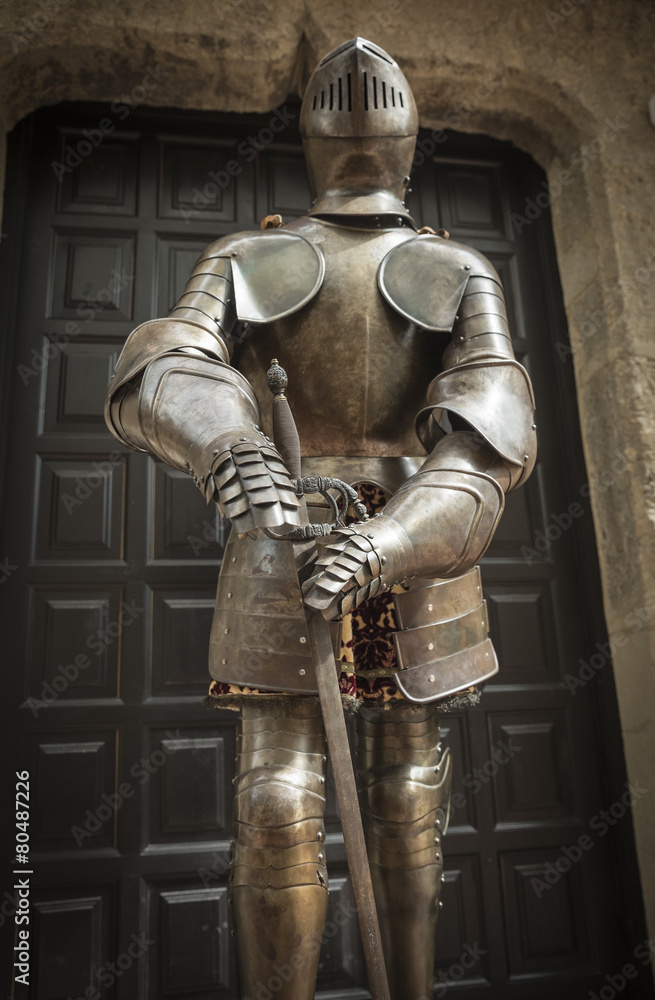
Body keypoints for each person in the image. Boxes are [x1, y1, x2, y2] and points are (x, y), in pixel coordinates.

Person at [104, 36, 536, 1000]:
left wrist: (384, 543)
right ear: (410, 145)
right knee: (279, 802)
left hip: (413, 539)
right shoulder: (250, 256)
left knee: (398, 798)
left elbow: (487, 441)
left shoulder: (452, 268)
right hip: (286, 528)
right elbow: (166, 365)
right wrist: (231, 444)